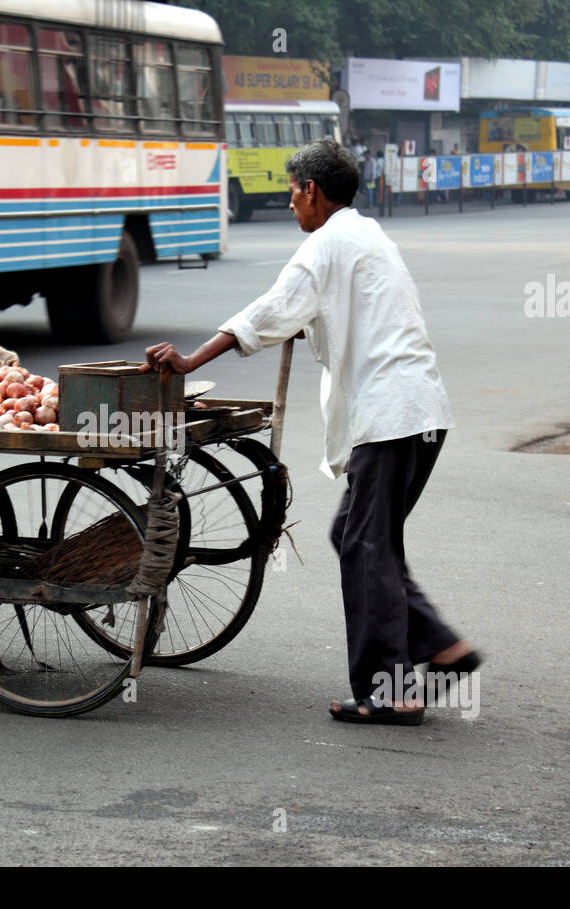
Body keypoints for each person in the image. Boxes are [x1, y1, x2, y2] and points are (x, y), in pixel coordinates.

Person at [140, 138, 478, 725]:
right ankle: (441, 647)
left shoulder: (326, 245)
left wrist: (190, 363)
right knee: (359, 535)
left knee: (366, 543)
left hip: (393, 417)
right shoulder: (367, 236)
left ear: (312, 191)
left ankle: (391, 692)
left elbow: (269, 310)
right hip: (419, 414)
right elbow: (329, 311)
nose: (291, 203)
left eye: (292, 192)